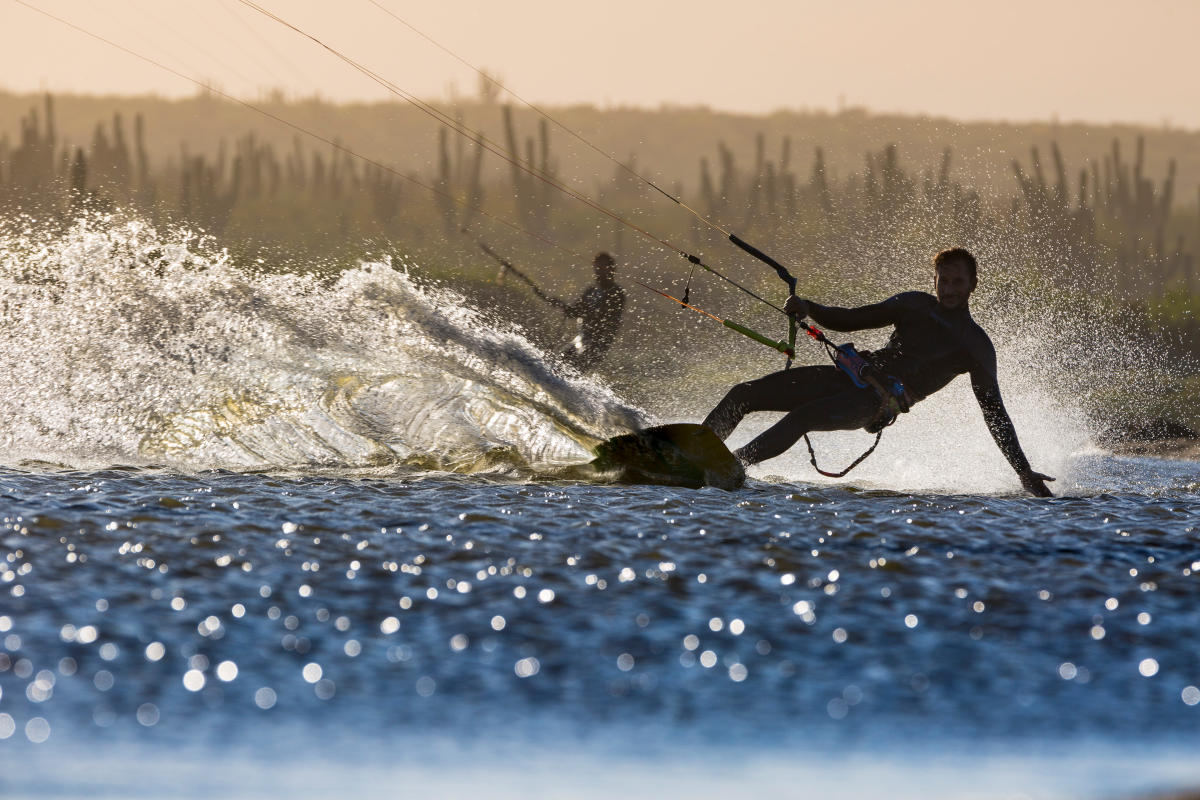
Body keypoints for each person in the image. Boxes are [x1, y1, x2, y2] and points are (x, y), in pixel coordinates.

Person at [701, 248, 1055, 497]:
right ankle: (692, 452)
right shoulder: (913, 304)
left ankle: (728, 469)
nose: (948, 290)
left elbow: (994, 412)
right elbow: (852, 320)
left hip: (875, 403)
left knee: (803, 416)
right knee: (744, 393)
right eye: (942, 281)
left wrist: (1022, 470)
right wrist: (809, 308)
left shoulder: (975, 346)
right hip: (851, 375)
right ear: (934, 281)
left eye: (957, 282)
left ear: (973, 285)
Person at [552, 251, 625, 372]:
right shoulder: (591, 291)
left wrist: (583, 310)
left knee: (574, 369)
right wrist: (561, 305)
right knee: (560, 360)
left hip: (597, 345)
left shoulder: (616, 293)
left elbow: (605, 317)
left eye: (602, 268)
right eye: (597, 267)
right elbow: (574, 312)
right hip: (582, 339)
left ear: (611, 270)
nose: (598, 271)